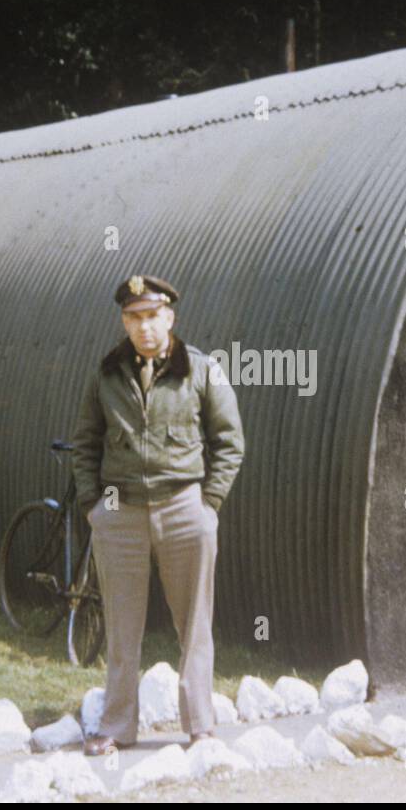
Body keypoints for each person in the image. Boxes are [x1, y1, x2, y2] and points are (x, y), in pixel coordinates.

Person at [70, 274, 245, 754]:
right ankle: (116, 726)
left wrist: (207, 505)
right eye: (133, 317)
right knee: (121, 623)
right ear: (124, 322)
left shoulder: (201, 371)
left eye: (152, 316)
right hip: (120, 511)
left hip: (184, 505)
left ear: (170, 317)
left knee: (194, 622)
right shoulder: (106, 376)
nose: (144, 327)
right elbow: (84, 445)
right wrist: (94, 508)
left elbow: (230, 442)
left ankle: (201, 725)